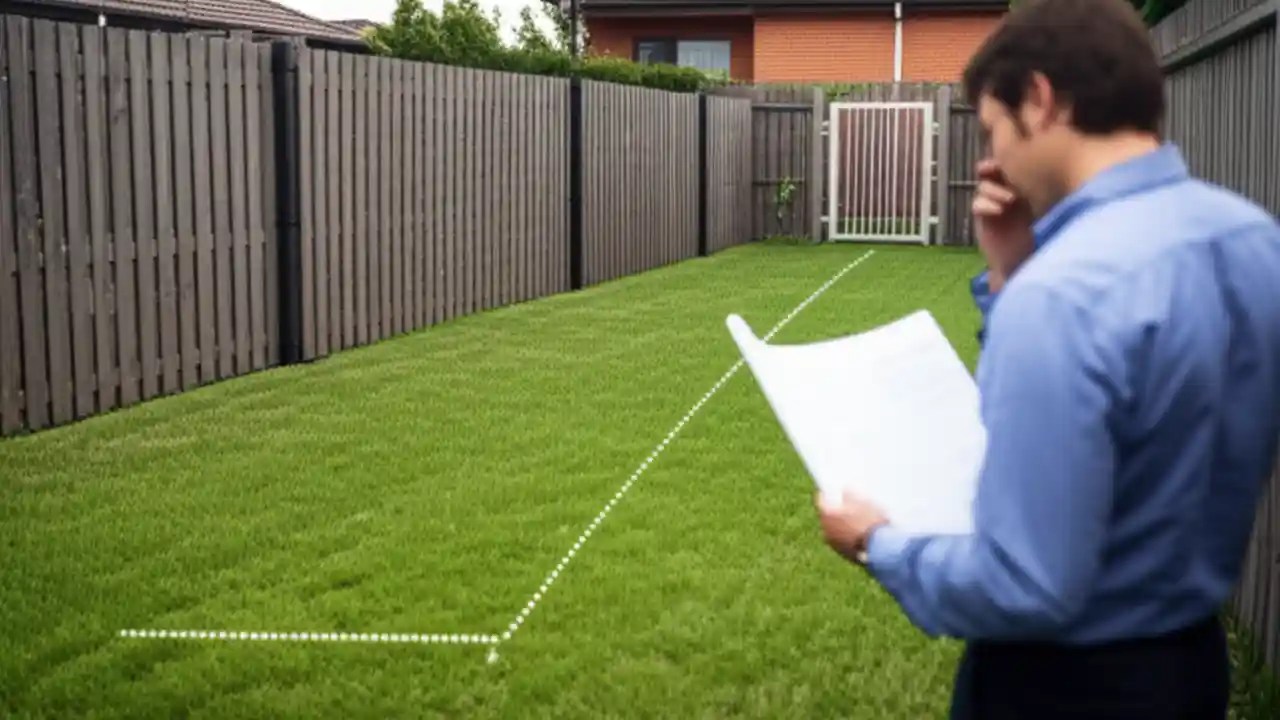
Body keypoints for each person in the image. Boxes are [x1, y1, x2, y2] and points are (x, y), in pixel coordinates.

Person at [814, 0, 1280, 717]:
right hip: (1190, 669)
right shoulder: (1255, 242)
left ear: (1037, 98)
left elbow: (1024, 583)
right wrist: (1008, 275)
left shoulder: (1063, 295)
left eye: (996, 130)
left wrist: (880, 546)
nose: (994, 161)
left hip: (1062, 686)